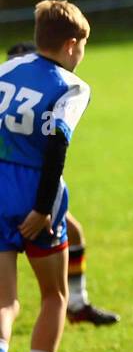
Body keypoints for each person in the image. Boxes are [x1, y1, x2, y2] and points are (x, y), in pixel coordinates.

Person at [0, 1, 93, 352]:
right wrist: (41, 208)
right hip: (37, 193)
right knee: (53, 296)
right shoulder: (72, 86)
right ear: (71, 45)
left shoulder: (5, 72)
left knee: (5, 302)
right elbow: (57, 147)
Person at [5, 42, 118, 327]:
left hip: (30, 185)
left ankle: (77, 305)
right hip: (24, 189)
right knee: (34, 295)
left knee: (75, 234)